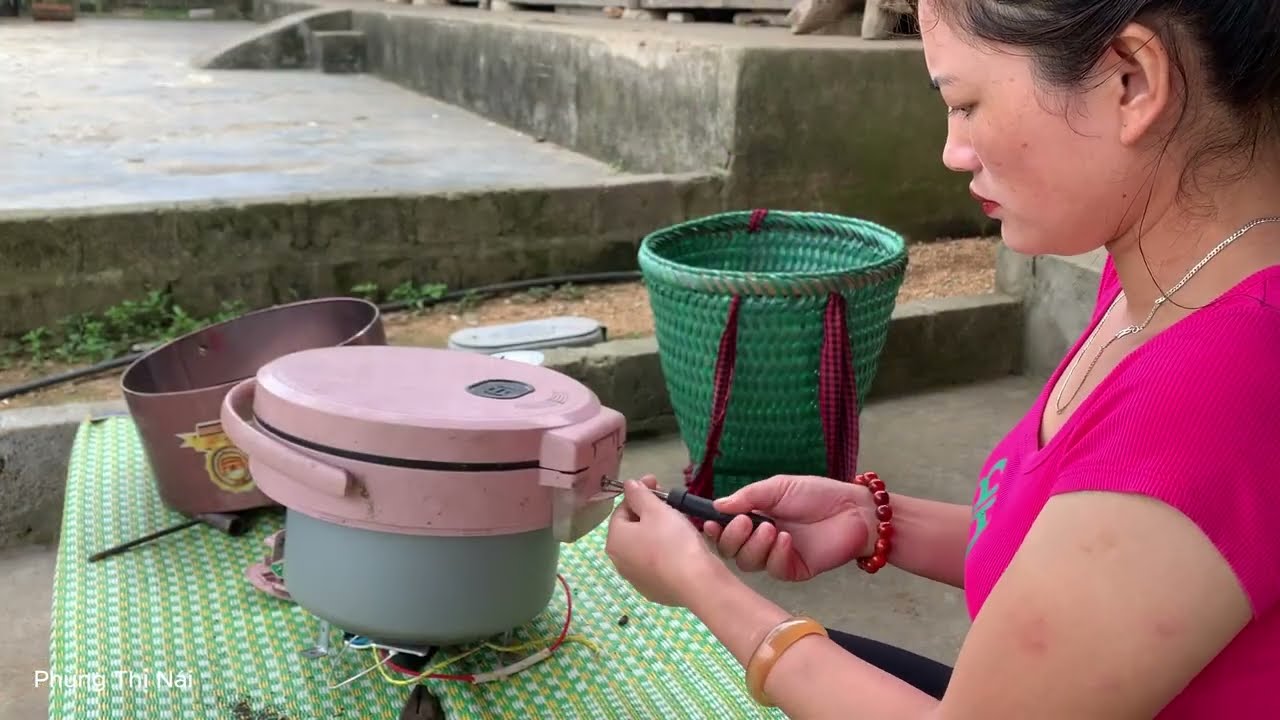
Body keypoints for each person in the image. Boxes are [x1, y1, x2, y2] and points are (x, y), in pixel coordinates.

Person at [603, 0, 1280, 717]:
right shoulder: (1162, 280)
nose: (952, 151)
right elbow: (1089, 555)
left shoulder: (1219, 385)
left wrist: (699, 586)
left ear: (1131, 82)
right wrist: (876, 520)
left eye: (964, 103)